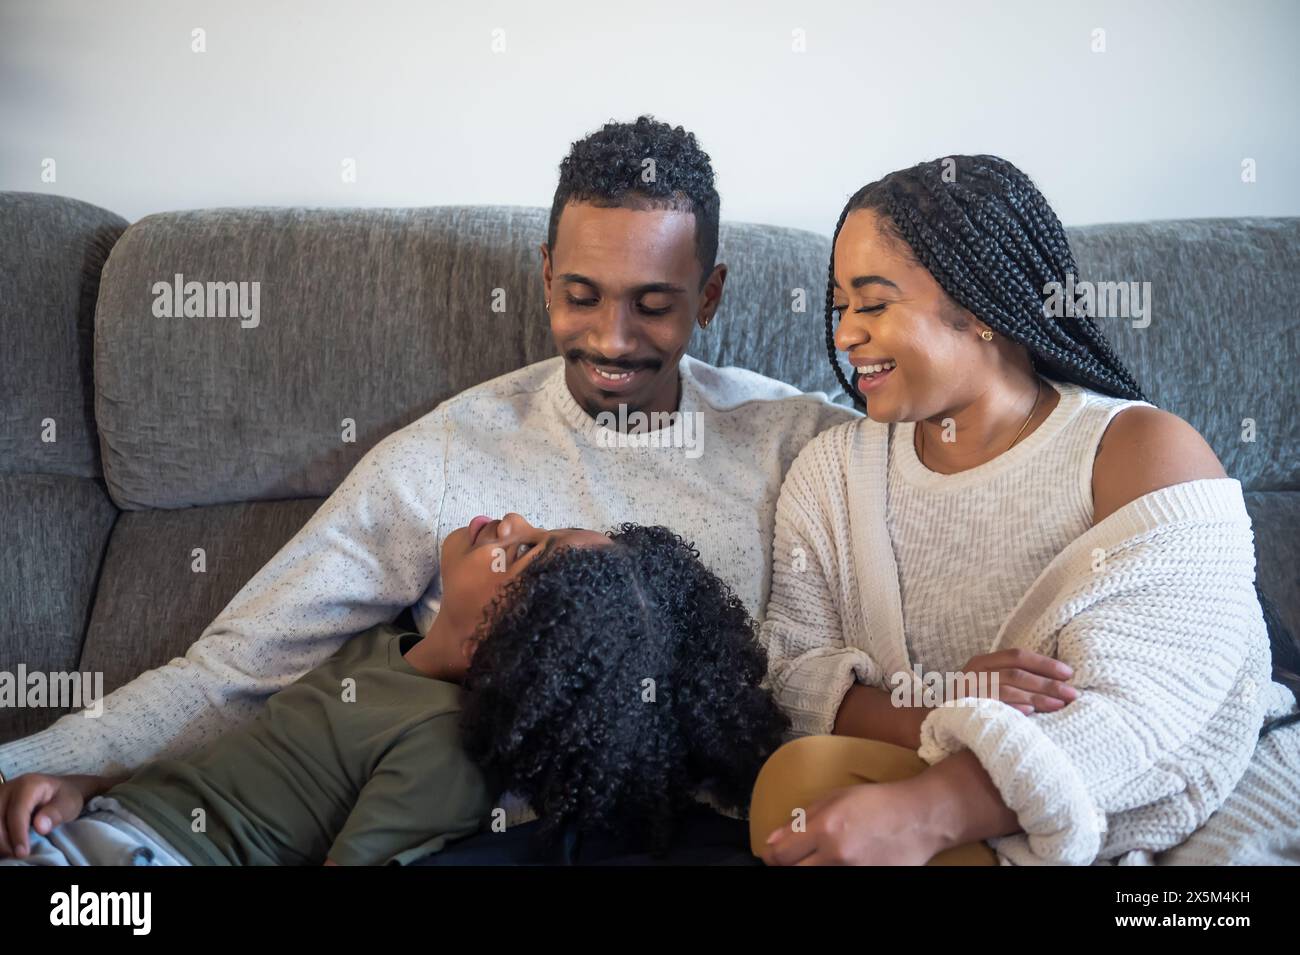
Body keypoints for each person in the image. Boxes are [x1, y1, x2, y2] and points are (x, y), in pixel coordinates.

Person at [0, 117, 854, 815]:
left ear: (709, 294)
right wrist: (30, 768)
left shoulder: (793, 439)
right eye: (582, 295)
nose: (612, 340)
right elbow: (233, 673)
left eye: (655, 305)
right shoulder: (451, 454)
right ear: (547, 276)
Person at [751, 155, 1300, 866]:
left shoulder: (1139, 451)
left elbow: (1150, 709)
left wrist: (926, 811)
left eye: (874, 302)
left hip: (1198, 788)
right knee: (792, 787)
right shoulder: (830, 475)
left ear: (978, 307)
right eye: (839, 307)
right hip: (972, 808)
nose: (846, 334)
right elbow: (793, 674)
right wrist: (946, 707)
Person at [0, 515, 787, 865]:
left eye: (527, 550)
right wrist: (84, 784)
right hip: (100, 825)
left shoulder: (441, 749)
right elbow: (229, 773)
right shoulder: (384, 646)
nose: (509, 519)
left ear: (510, 642)